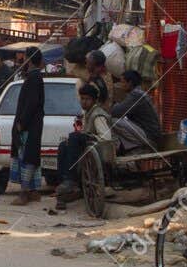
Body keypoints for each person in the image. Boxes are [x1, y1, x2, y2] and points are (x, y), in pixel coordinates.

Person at [51, 79, 114, 210]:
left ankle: (71, 179)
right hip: (88, 147)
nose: (84, 102)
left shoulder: (98, 115)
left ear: (94, 100)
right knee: (63, 146)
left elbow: (106, 138)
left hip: (98, 149)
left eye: (87, 99)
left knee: (74, 136)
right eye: (82, 99)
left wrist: (86, 137)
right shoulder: (87, 113)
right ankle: (65, 182)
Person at [10, 47, 46, 205]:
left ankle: (24, 193)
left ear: (29, 60)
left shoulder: (34, 78)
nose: (22, 62)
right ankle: (33, 192)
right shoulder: (34, 77)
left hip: (29, 126)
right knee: (31, 157)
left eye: (24, 58)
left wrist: (22, 123)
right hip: (33, 125)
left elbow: (31, 103)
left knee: (27, 158)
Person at [109, 69, 162, 153]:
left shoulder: (136, 95)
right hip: (150, 134)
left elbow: (116, 112)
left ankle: (137, 145)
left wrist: (115, 104)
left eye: (122, 82)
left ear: (129, 83)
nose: (121, 85)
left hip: (149, 136)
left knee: (113, 121)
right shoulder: (139, 93)